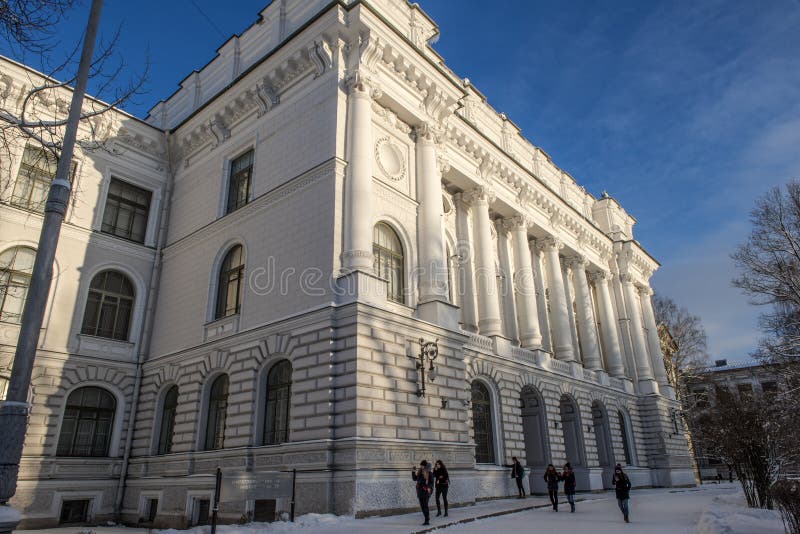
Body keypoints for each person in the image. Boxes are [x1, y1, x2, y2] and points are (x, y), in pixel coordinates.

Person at [412, 461, 434, 525]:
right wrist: (413, 471)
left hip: (426, 491)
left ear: (425, 466)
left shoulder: (429, 473)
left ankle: (426, 520)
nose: (421, 466)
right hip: (420, 491)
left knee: (425, 505)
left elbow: (431, 483)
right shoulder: (419, 472)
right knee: (422, 506)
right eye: (420, 465)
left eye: (422, 465)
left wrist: (429, 487)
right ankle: (427, 517)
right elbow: (414, 479)